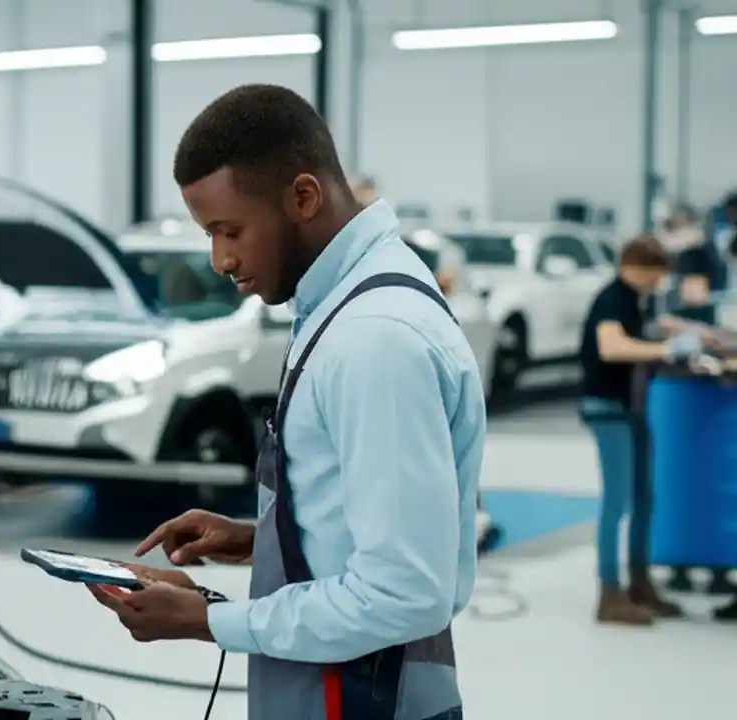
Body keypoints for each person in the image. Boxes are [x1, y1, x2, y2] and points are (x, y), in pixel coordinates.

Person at [87, 84, 482, 720]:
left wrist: (212, 620)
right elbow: (375, 519)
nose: (219, 258)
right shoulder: (342, 299)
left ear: (303, 196)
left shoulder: (374, 338)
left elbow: (405, 592)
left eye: (229, 230)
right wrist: (269, 535)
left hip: (363, 699)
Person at [577, 234, 701, 625]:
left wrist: (697, 334)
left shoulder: (633, 300)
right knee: (617, 503)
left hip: (631, 408)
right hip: (608, 409)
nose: (657, 282)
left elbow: (655, 325)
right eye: (655, 273)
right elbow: (611, 347)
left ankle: (640, 582)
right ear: (635, 267)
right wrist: (667, 351)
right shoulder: (612, 298)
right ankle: (609, 592)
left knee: (644, 498)